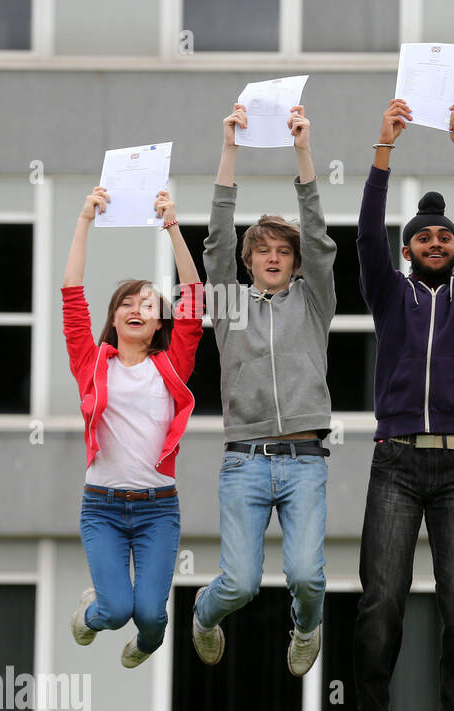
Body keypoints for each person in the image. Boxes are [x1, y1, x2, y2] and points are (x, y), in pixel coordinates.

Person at [352, 99, 454, 711]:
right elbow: (362, 239)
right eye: (424, 237)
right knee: (382, 596)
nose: (436, 242)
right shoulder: (391, 295)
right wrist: (382, 151)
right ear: (409, 248)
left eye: (445, 236)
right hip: (395, 461)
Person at [191, 102, 337, 676]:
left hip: (305, 459)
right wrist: (231, 146)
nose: (273, 258)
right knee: (240, 582)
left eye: (283, 252)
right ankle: (205, 615)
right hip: (244, 461)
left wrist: (302, 148)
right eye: (263, 251)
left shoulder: (314, 300)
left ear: (296, 264)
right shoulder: (228, 306)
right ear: (249, 261)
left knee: (306, 574)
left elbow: (320, 236)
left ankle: (306, 626)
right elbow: (216, 239)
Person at [64, 186, 204, 668]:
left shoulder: (171, 366)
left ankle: (147, 643)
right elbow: (71, 296)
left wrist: (172, 226)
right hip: (100, 507)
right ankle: (93, 613)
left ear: (160, 320)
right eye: (128, 302)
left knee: (149, 616)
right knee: (117, 609)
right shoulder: (91, 362)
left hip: (157, 510)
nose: (137, 308)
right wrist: (84, 219)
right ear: (115, 315)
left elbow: (194, 297)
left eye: (148, 303)